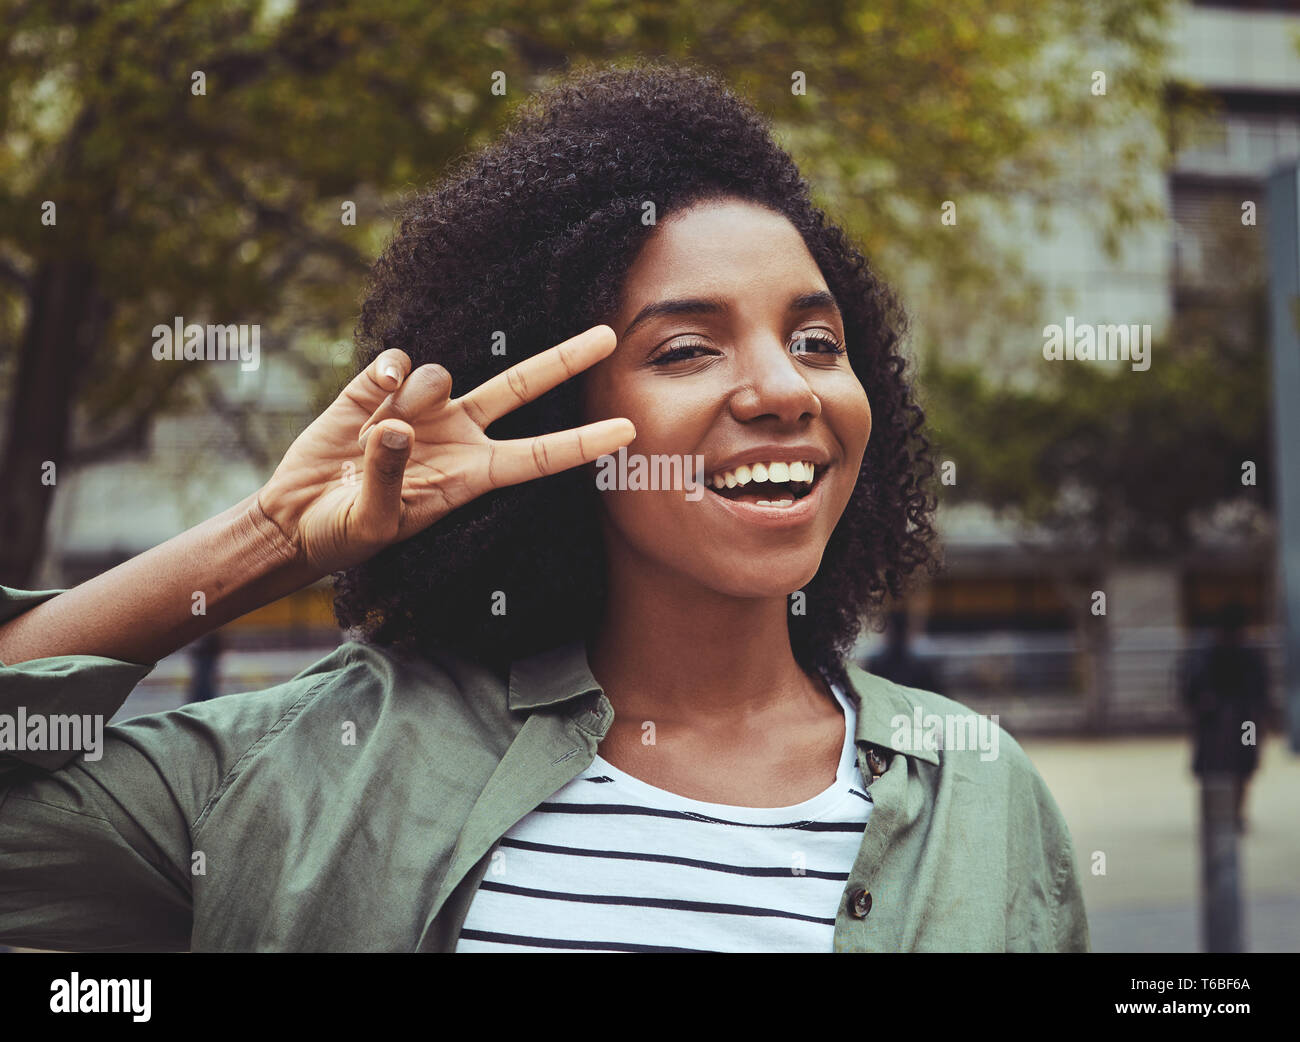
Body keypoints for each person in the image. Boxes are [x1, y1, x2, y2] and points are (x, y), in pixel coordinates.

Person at [0, 59, 1087, 952]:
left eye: (815, 341)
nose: (784, 390)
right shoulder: (323, 759)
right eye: (687, 349)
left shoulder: (979, 792)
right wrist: (272, 538)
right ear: (557, 417)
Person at [1182, 603, 1272, 832]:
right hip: (1220, 719)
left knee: (1239, 768)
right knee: (1219, 769)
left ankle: (1231, 814)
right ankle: (1220, 814)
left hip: (1239, 719)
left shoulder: (1244, 653)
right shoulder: (1210, 654)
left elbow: (1260, 690)